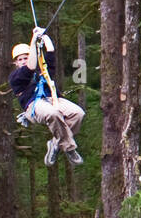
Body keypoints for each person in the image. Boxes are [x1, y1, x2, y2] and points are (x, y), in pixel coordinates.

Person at [9, 26, 85, 166]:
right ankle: (69, 148)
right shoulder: (16, 77)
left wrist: (45, 38)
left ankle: (56, 143)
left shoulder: (41, 69)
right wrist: (34, 41)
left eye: (26, 57)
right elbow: (29, 67)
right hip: (34, 106)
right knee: (53, 113)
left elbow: (50, 55)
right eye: (21, 59)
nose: (24, 61)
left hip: (52, 99)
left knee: (78, 113)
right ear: (16, 63)